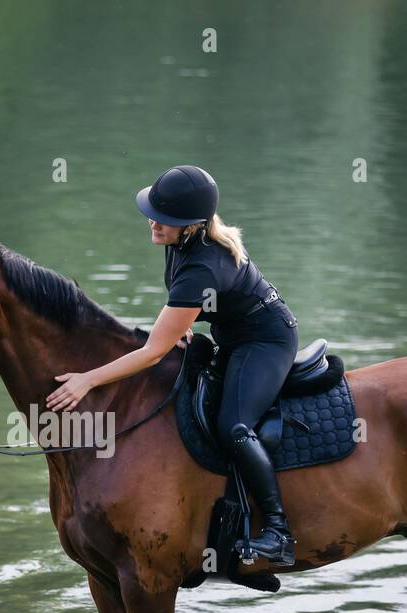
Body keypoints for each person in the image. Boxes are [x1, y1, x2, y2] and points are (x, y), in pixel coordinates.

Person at [46, 165, 299, 564]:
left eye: (165, 220)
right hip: (232, 335)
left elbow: (152, 353)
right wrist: (183, 323)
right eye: (154, 213)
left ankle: (279, 531)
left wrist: (87, 381)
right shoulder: (180, 242)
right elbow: (185, 307)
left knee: (233, 427)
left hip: (265, 343)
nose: (153, 222)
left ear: (193, 227)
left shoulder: (202, 264)